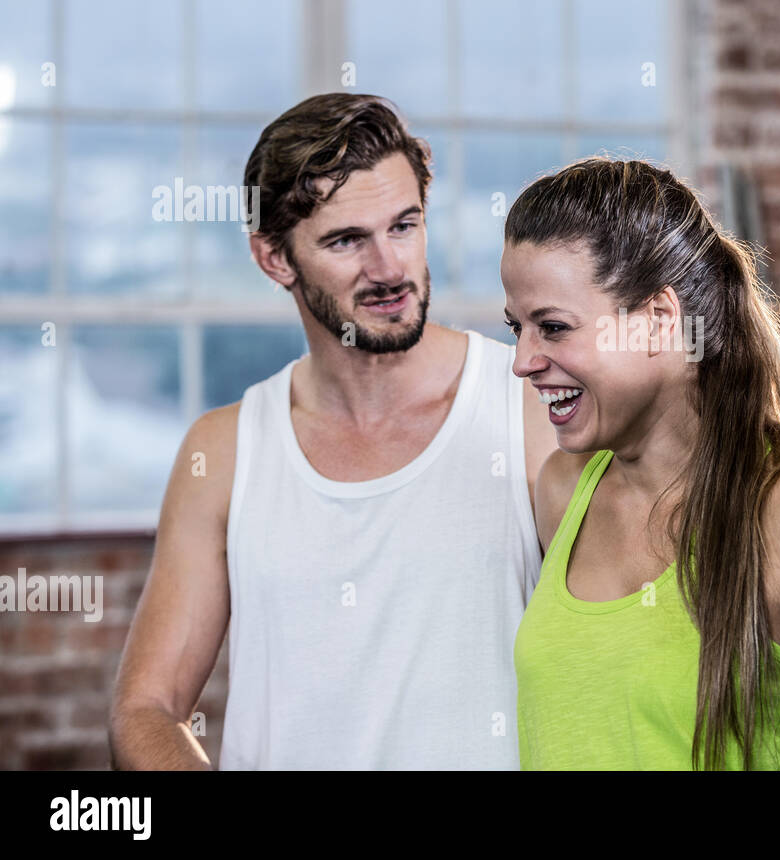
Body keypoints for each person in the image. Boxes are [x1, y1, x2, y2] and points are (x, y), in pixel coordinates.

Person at [108, 93, 557, 769]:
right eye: (347, 240)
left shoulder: (528, 407)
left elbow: (633, 654)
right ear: (274, 258)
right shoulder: (224, 450)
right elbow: (146, 709)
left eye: (404, 226)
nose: (388, 269)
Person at [502, 158, 780, 770]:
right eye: (517, 327)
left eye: (552, 327)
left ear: (656, 321)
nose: (523, 360)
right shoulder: (563, 492)